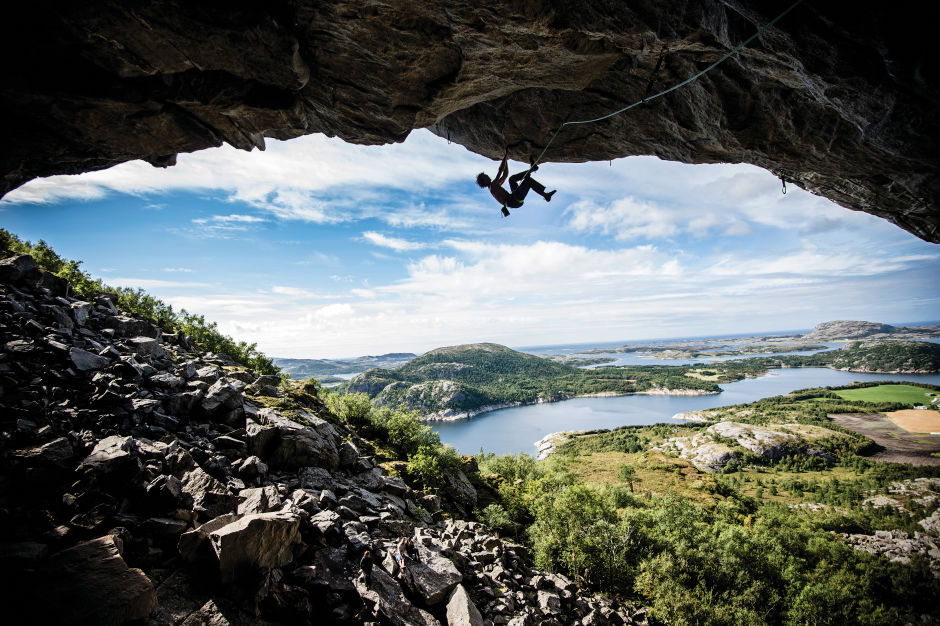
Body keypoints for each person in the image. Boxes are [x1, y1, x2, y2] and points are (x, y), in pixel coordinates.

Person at [476, 149, 556, 216]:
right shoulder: (492, 186)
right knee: (528, 181)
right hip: (513, 200)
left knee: (511, 179)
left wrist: (506, 159)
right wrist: (505, 154)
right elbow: (500, 171)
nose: (487, 176)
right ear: (484, 181)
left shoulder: (494, 186)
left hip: (514, 199)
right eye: (485, 176)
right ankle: (545, 195)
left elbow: (505, 174)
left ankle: (532, 169)